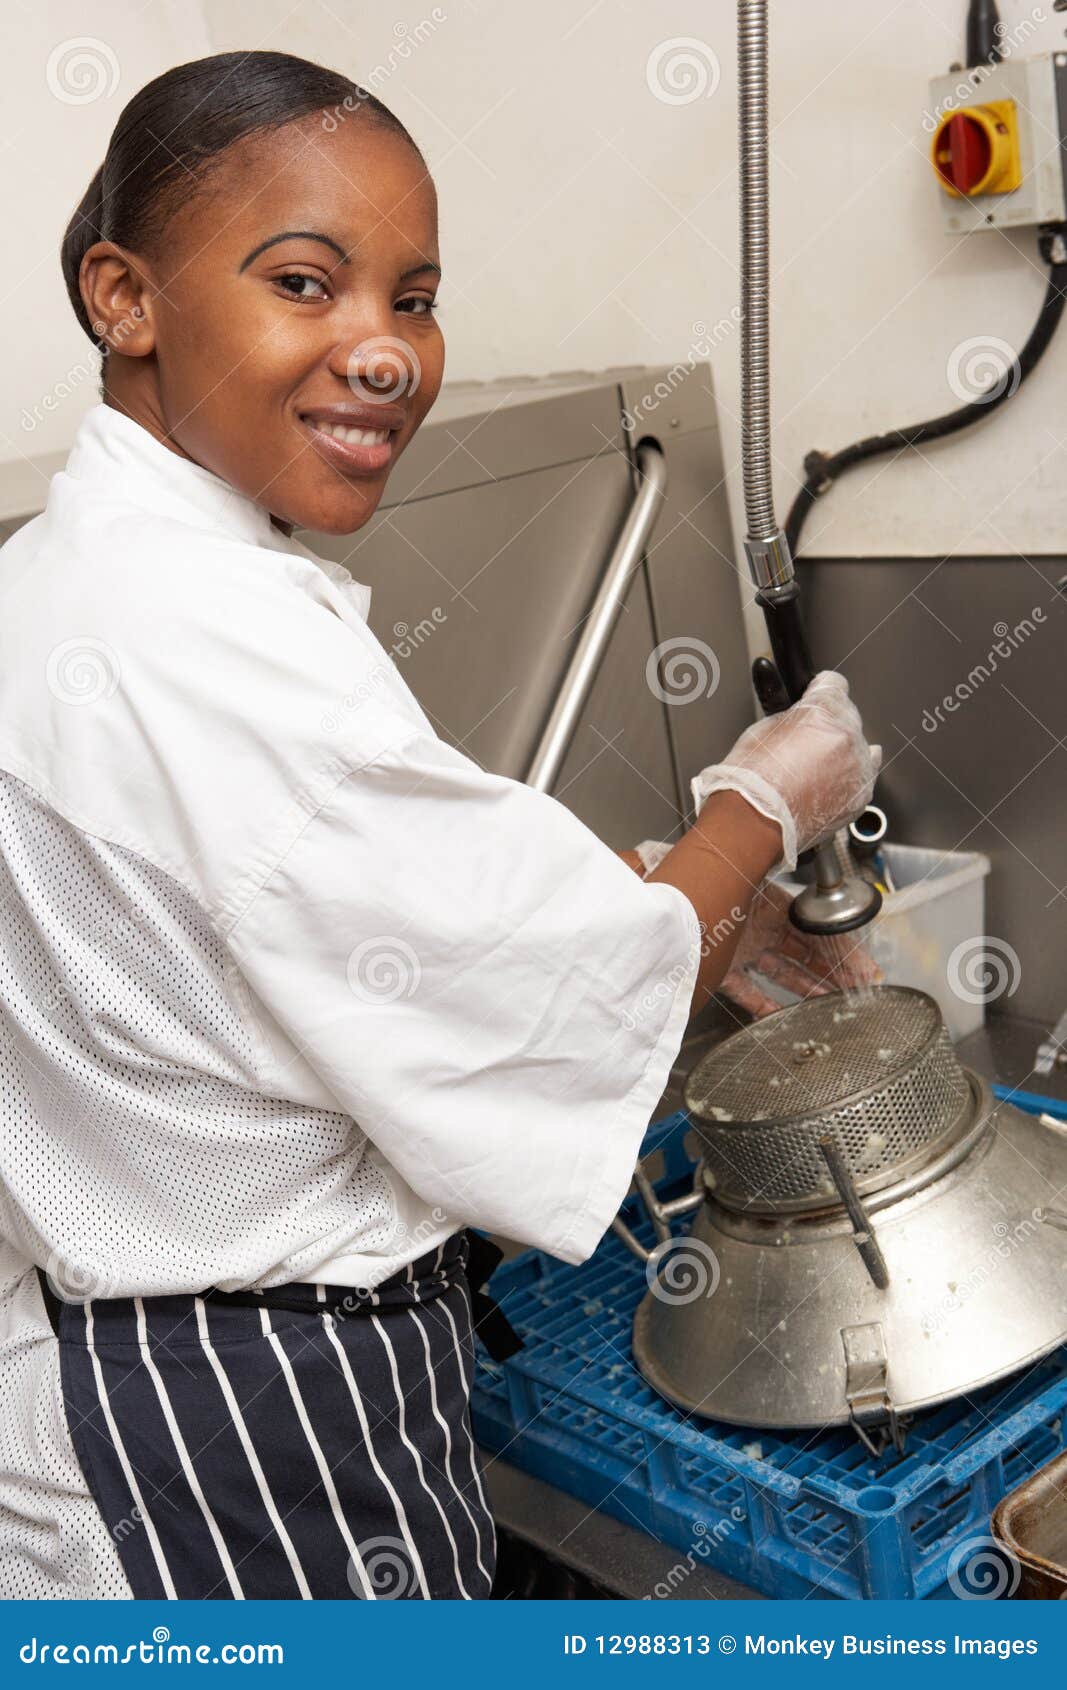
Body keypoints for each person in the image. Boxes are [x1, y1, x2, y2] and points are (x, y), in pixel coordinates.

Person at [0, 50, 879, 1600]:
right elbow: (616, 976)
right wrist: (770, 795)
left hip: (113, 1368)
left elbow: (237, 943)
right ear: (123, 297)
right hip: (242, 1437)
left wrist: (621, 905)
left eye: (412, 297)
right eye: (304, 282)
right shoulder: (209, 644)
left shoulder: (60, 578)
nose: (387, 352)